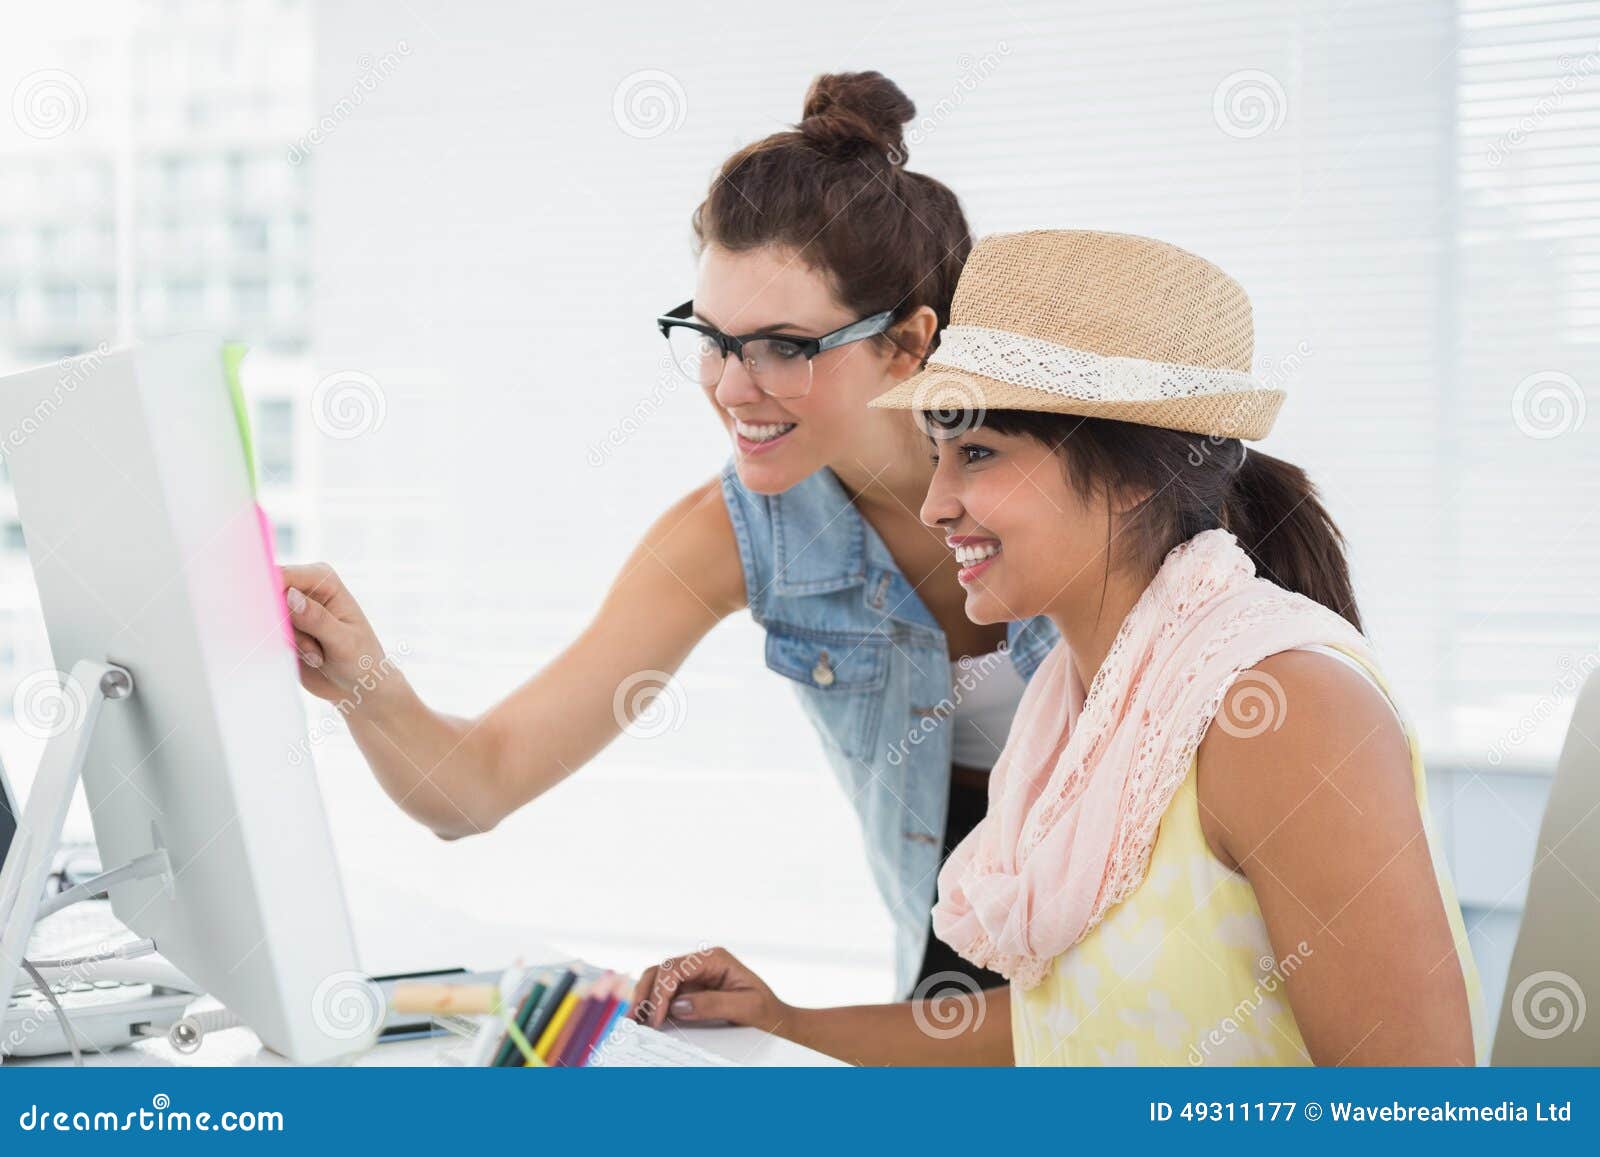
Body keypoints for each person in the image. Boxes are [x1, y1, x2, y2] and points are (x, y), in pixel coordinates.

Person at [279, 72, 1057, 1000]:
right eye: (713, 337)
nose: (732, 387)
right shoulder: (734, 534)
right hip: (958, 946)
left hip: (1158, 916)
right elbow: (472, 787)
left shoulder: (1069, 469)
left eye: (783, 346)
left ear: (906, 342)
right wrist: (361, 679)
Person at [630, 230, 1488, 1066]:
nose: (935, 505)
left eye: (978, 454)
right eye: (938, 456)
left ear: (1134, 473)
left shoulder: (1284, 711)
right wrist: (785, 1021)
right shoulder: (1089, 707)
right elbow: (1061, 1023)